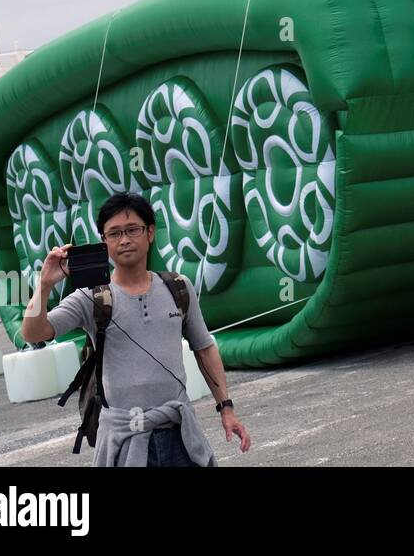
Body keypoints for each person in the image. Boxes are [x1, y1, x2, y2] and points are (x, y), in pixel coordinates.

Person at [20, 193, 251, 467]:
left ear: (150, 232)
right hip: (124, 441)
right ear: (104, 241)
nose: (124, 240)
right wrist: (44, 285)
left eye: (132, 230)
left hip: (180, 435)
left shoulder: (177, 287)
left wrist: (226, 408)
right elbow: (33, 333)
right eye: (114, 233)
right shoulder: (91, 298)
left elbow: (204, 348)